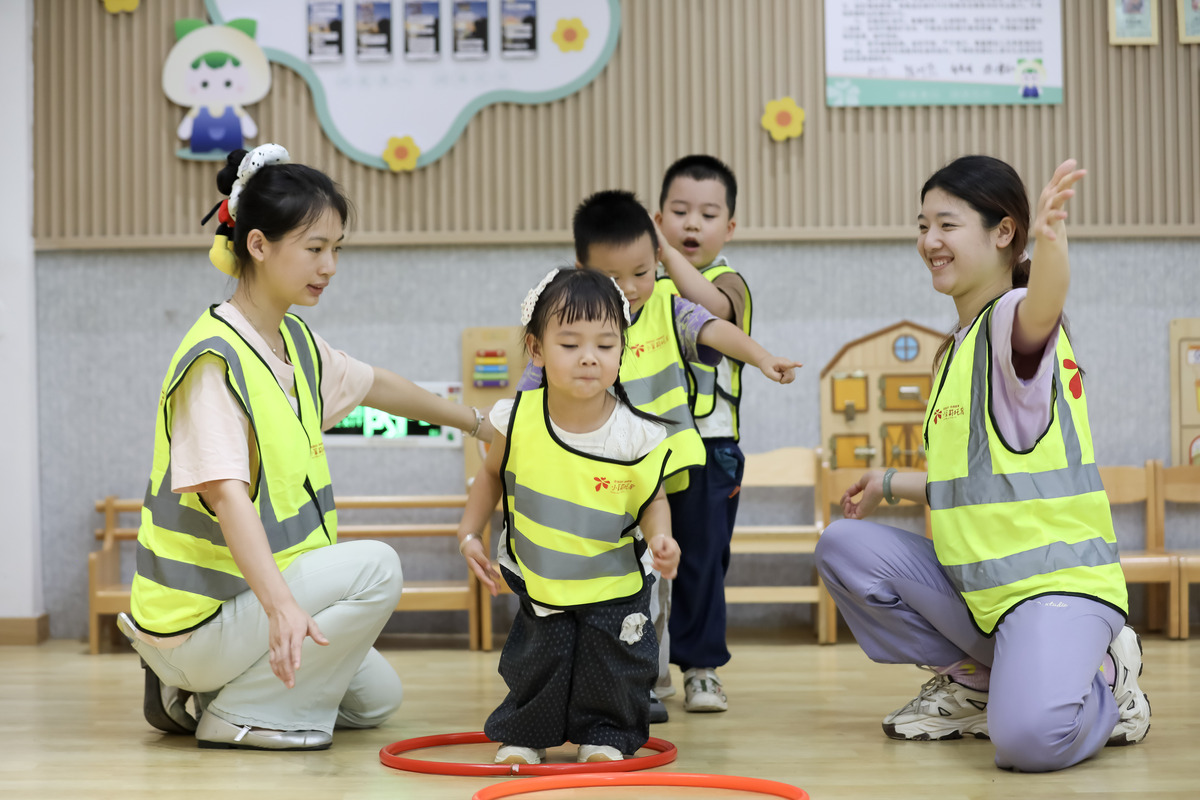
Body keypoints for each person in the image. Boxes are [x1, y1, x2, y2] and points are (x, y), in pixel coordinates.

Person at [118, 144, 491, 751]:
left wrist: (478, 423)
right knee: (379, 567)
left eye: (336, 249)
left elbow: (381, 387)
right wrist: (283, 607)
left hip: (249, 602)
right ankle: (228, 713)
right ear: (259, 245)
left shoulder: (295, 340)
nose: (331, 265)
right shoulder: (213, 359)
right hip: (197, 621)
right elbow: (227, 497)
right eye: (315, 248)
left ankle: (198, 695)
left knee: (377, 701)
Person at [814, 155, 1150, 772]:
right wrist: (889, 483)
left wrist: (1050, 245)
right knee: (842, 546)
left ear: (1004, 233)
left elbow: (1039, 309)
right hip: (981, 593)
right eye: (922, 226)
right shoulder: (956, 351)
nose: (929, 242)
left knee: (1026, 743)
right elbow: (979, 482)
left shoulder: (1008, 321)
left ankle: (1107, 678)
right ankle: (976, 681)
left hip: (1056, 587)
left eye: (946, 225)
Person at [514, 189, 801, 721]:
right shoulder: (576, 323)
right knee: (623, 579)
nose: (631, 289)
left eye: (642, 272)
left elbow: (717, 329)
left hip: (674, 468)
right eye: (614, 278)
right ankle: (636, 676)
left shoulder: (669, 305)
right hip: (605, 475)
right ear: (583, 269)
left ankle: (680, 672)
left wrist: (761, 358)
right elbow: (528, 395)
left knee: (677, 571)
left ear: (658, 257)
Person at [457, 268, 678, 765]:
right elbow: (491, 475)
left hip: (614, 576)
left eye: (605, 344)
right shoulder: (515, 417)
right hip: (544, 573)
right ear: (536, 349)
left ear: (622, 350)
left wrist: (661, 538)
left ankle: (606, 736)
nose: (589, 357)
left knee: (613, 661)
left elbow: (653, 498)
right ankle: (527, 735)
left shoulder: (637, 434)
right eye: (571, 343)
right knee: (538, 658)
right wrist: (469, 531)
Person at [651, 155, 750, 714]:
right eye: (679, 211)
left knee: (703, 559)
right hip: (646, 449)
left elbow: (712, 312)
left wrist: (662, 256)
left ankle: (702, 668)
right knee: (642, 558)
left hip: (712, 448)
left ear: (729, 227)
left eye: (707, 214)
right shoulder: (643, 286)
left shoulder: (728, 281)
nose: (691, 225)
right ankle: (643, 666)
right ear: (658, 215)